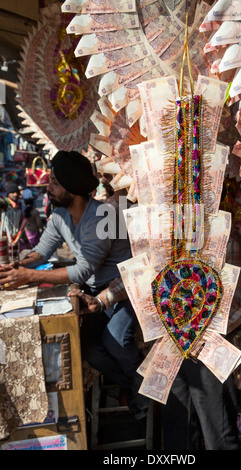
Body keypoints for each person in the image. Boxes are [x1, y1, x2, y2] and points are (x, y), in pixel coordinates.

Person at [0, 150, 147, 419]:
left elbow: (82, 269)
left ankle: (143, 388)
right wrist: (19, 265)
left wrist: (30, 276)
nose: (48, 186)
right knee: (89, 350)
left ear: (73, 187)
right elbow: (42, 252)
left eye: (55, 181)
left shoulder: (105, 215)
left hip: (123, 289)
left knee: (115, 341)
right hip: (94, 293)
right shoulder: (59, 216)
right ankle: (135, 385)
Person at [161, 226, 241, 450]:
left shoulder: (227, 237)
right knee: (177, 428)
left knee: (218, 434)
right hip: (174, 344)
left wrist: (199, 335)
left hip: (211, 347)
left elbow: (240, 306)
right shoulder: (170, 234)